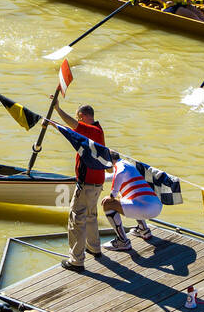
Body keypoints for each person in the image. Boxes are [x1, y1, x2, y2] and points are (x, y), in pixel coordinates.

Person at [56, 104, 112, 271]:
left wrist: (58, 110)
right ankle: (94, 248)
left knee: (76, 219)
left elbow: (73, 125)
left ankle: (76, 260)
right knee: (91, 215)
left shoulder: (92, 131)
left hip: (87, 183)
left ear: (81, 115)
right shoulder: (97, 130)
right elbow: (73, 130)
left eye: (78, 116)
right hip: (96, 182)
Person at [100, 156, 160, 252]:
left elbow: (119, 173)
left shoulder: (119, 167)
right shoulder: (128, 164)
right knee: (127, 195)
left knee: (107, 203)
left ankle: (123, 242)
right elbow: (109, 177)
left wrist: (112, 196)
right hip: (156, 205)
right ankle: (144, 230)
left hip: (145, 208)